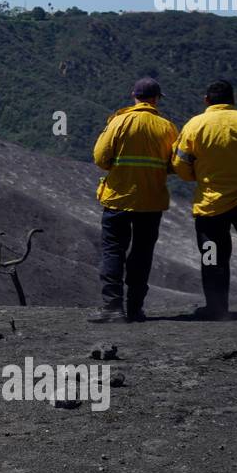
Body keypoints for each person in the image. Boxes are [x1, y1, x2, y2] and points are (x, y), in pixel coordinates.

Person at [171, 78, 237, 320]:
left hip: (210, 202)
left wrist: (196, 178)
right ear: (233, 100)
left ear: (206, 101)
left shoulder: (194, 125)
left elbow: (180, 163)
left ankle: (216, 306)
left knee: (212, 252)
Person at [89, 77, 178, 323]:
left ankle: (113, 308)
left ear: (133, 95)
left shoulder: (119, 122)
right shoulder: (167, 127)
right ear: (157, 99)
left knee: (113, 252)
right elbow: (175, 163)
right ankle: (136, 308)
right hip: (151, 201)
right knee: (142, 253)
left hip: (118, 198)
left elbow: (100, 158)